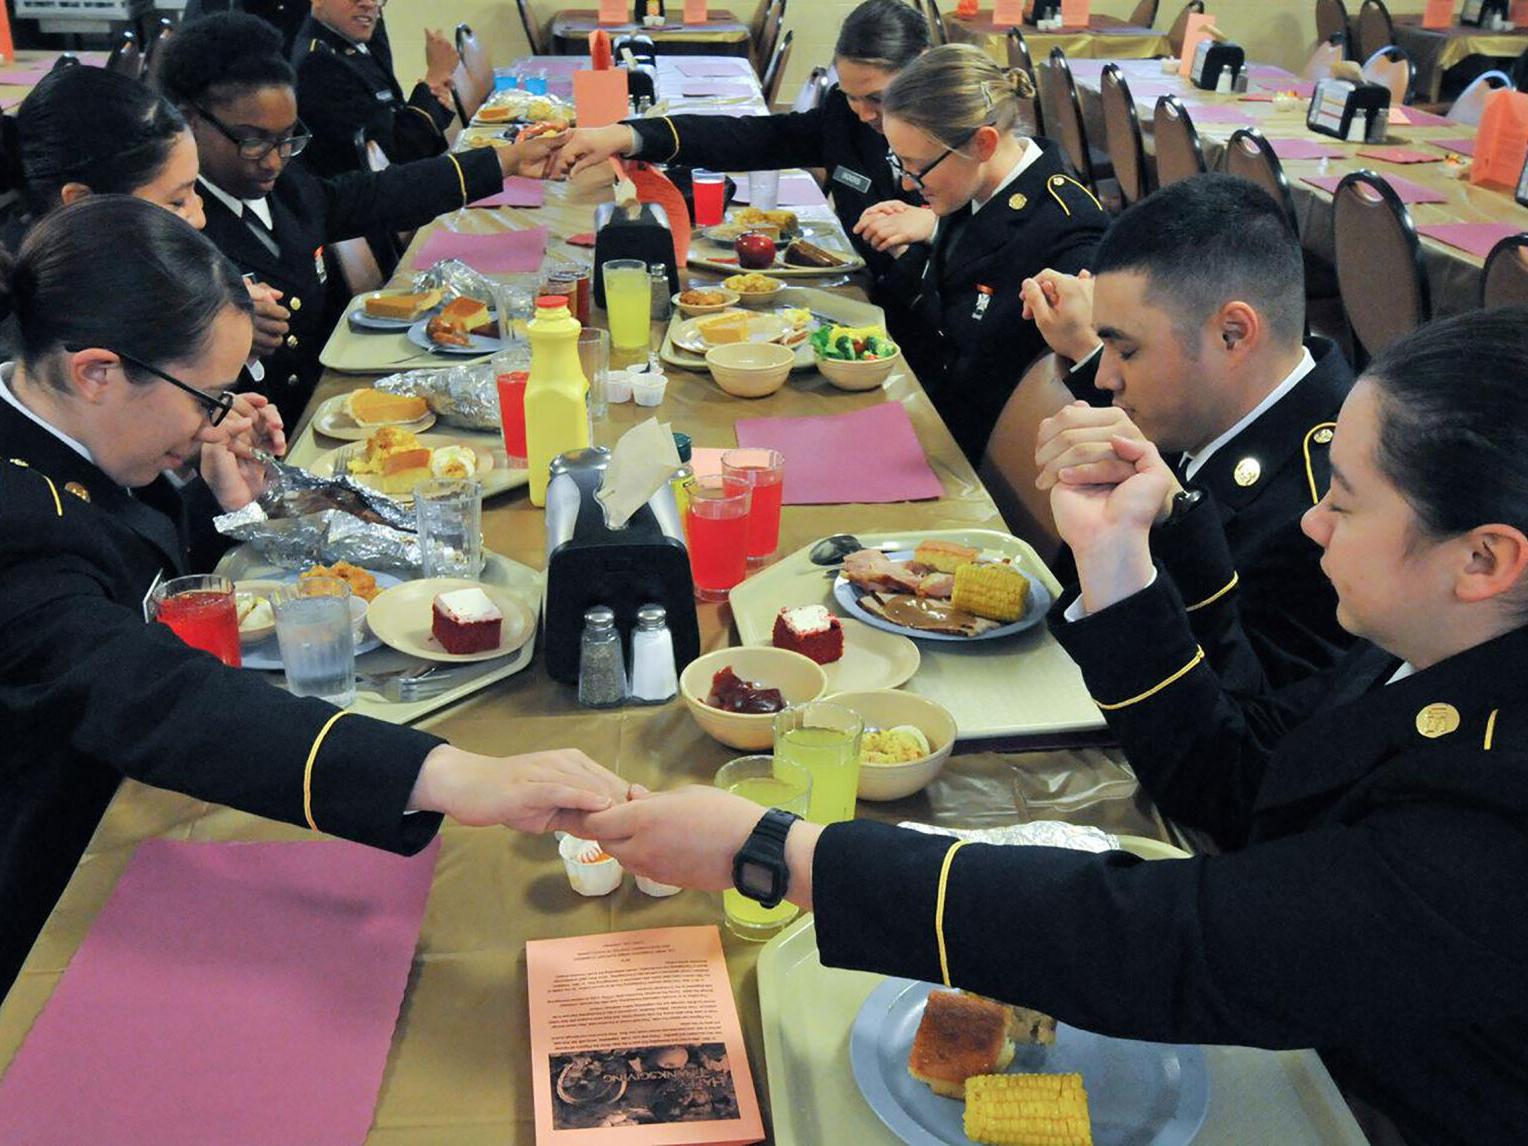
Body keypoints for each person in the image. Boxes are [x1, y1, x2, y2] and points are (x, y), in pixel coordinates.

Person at [567, 308, 1528, 1146]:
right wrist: (1113, 553)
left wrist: (785, 853)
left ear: (1483, 558)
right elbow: (1235, 785)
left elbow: (1170, 944)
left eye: (1346, 502)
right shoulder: (1439, 646)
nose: (1312, 523)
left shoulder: (1495, 806)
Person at [0, 196, 629, 1001]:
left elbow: (136, 561)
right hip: (56, 859)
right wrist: (447, 775)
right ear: (96, 371)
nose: (212, 425)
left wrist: (227, 504)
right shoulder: (19, 528)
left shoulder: (71, 433)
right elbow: (143, 688)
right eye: (207, 397)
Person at [1023, 175, 1355, 689]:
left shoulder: (1331, 502)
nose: (1106, 378)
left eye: (1126, 350)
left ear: (1233, 333)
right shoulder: (1205, 410)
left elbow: (1253, 728)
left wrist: (1177, 520)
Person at [158, 14, 562, 427]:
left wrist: (502, 163)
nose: (275, 159)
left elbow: (374, 196)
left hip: (328, 404)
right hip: (265, 433)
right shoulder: (172, 225)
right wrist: (218, 331)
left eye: (287, 139)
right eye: (255, 141)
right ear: (191, 121)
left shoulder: (286, 188)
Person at [554, 0, 931, 305]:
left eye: (878, 98)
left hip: (926, 320)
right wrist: (627, 135)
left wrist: (935, 225)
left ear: (926, 65)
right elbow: (750, 138)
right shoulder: (842, 116)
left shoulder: (962, 133)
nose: (864, 113)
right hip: (864, 296)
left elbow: (986, 237)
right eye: (852, 96)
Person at [855, 43, 1108, 464]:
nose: (906, 183)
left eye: (915, 166)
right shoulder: (971, 188)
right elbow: (940, 304)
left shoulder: (1068, 230)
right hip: (921, 414)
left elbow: (1076, 392)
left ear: (982, 144)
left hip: (973, 456)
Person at [0, 64, 296, 371]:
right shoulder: (43, 341)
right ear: (82, 202)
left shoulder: (113, 266)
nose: (198, 218)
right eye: (177, 202)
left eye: (196, 190)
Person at [290, 0, 457, 177]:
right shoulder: (319, 64)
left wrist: (432, 96)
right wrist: (432, 84)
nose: (369, 3)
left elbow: (392, 115)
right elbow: (391, 160)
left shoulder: (360, 41)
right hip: (369, 196)